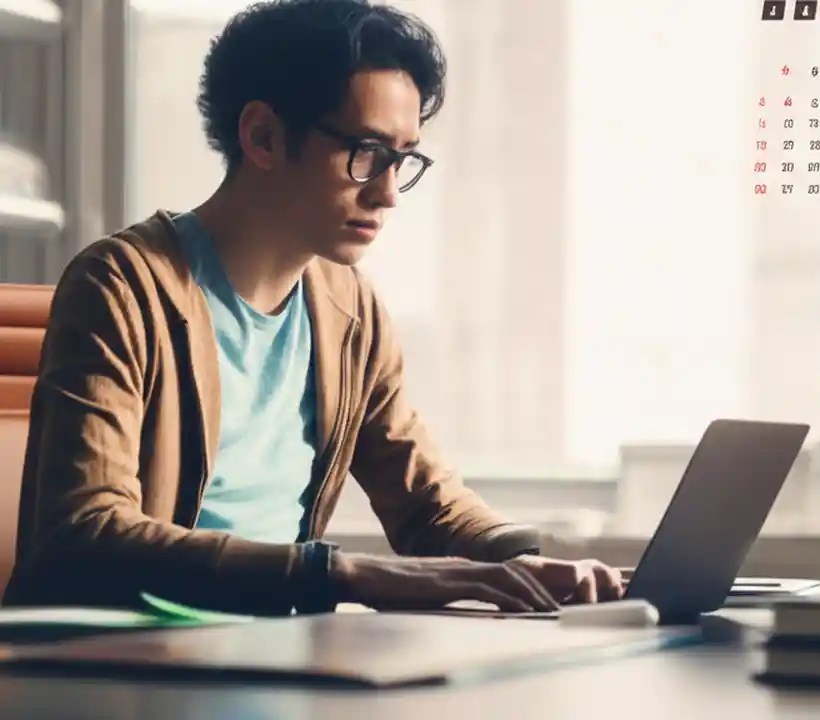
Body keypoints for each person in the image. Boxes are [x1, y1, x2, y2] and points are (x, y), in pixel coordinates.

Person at [5, 0, 622, 616]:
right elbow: (86, 531)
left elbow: (428, 500)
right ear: (264, 137)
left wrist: (519, 561)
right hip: (117, 665)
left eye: (403, 160)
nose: (386, 193)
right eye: (366, 153)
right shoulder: (122, 286)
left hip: (269, 654)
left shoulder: (348, 309)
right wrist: (343, 575)